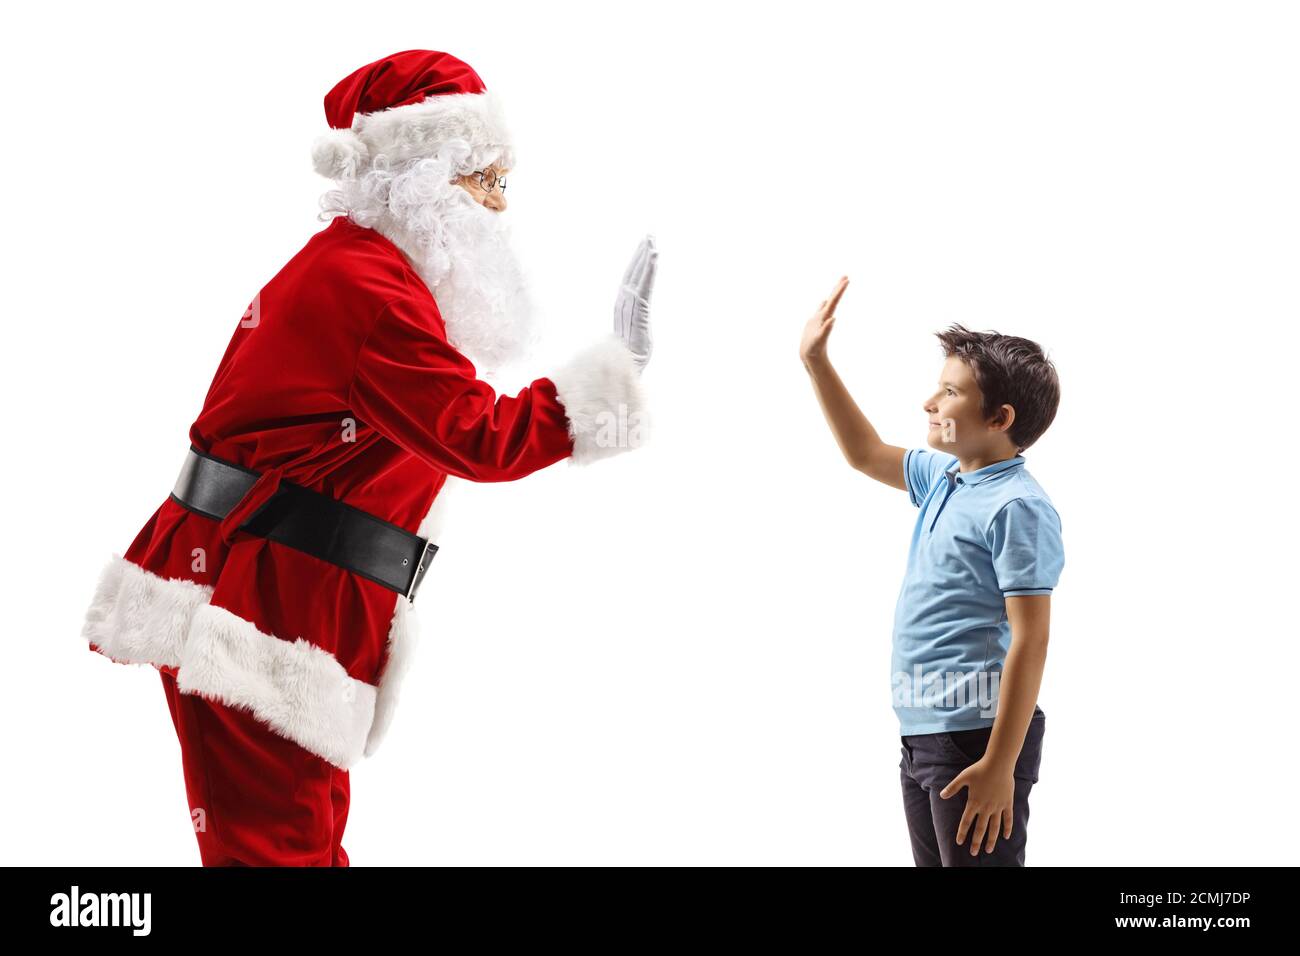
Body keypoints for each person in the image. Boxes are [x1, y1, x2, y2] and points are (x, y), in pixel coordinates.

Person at [80, 49, 656, 866]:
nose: (497, 210)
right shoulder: (368, 291)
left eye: (502, 185)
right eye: (482, 183)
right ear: (422, 183)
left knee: (298, 843)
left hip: (288, 610)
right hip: (255, 612)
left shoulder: (368, 272)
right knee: (278, 853)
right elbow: (478, 437)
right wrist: (615, 376)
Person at [800, 277, 1064, 866]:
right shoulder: (943, 478)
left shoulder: (1016, 506)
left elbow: (1032, 637)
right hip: (924, 733)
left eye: (949, 391)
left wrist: (999, 764)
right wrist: (816, 362)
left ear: (999, 417)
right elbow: (865, 452)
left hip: (979, 736)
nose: (929, 402)